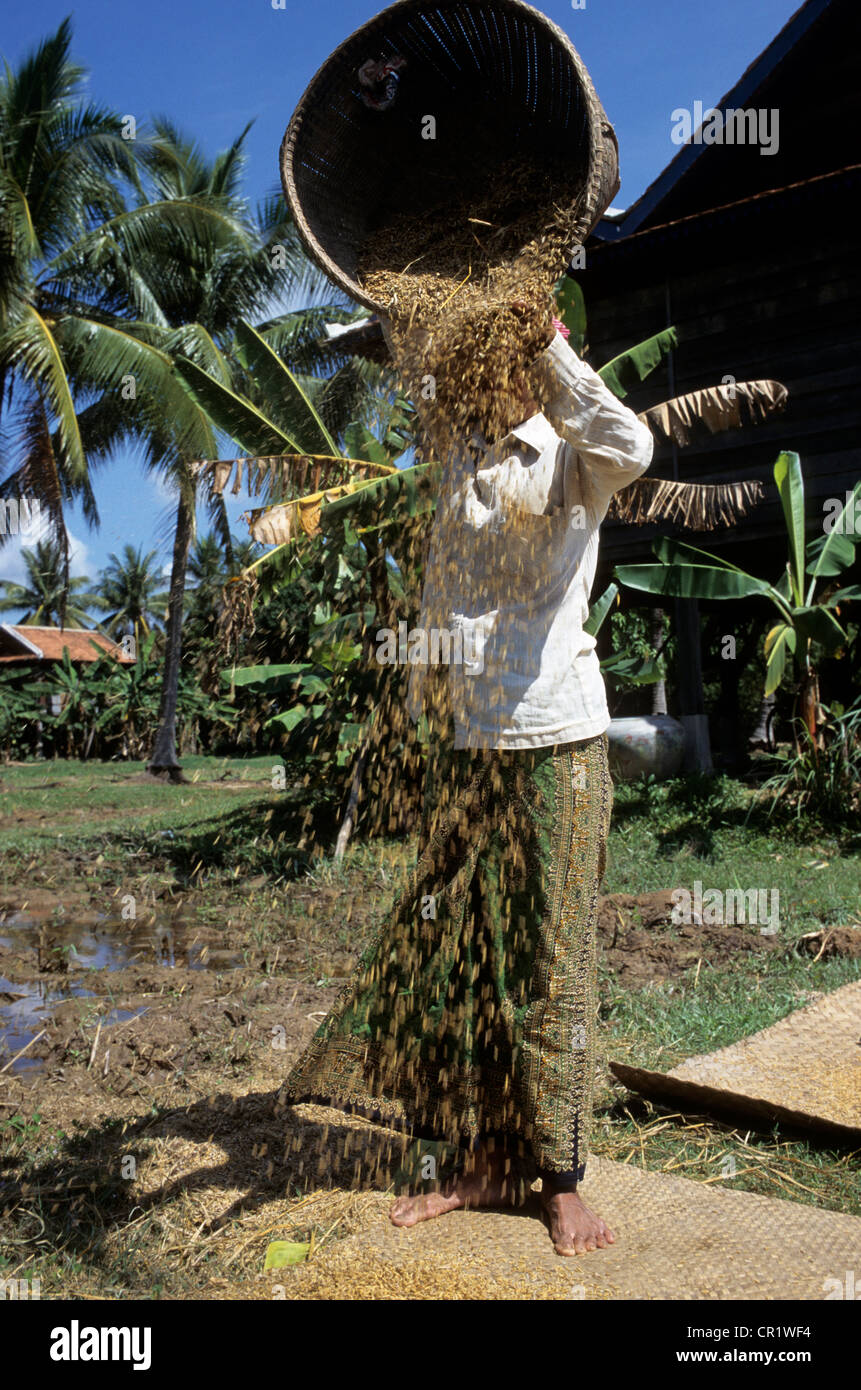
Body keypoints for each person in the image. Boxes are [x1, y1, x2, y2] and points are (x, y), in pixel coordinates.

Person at [282, 300, 653, 1256]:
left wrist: (555, 346)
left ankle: (560, 1179)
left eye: (498, 363)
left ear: (527, 367)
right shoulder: (454, 460)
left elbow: (633, 439)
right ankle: (484, 1159)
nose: (478, 382)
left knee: (552, 966)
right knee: (466, 961)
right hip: (463, 749)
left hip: (555, 742)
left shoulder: (576, 458)